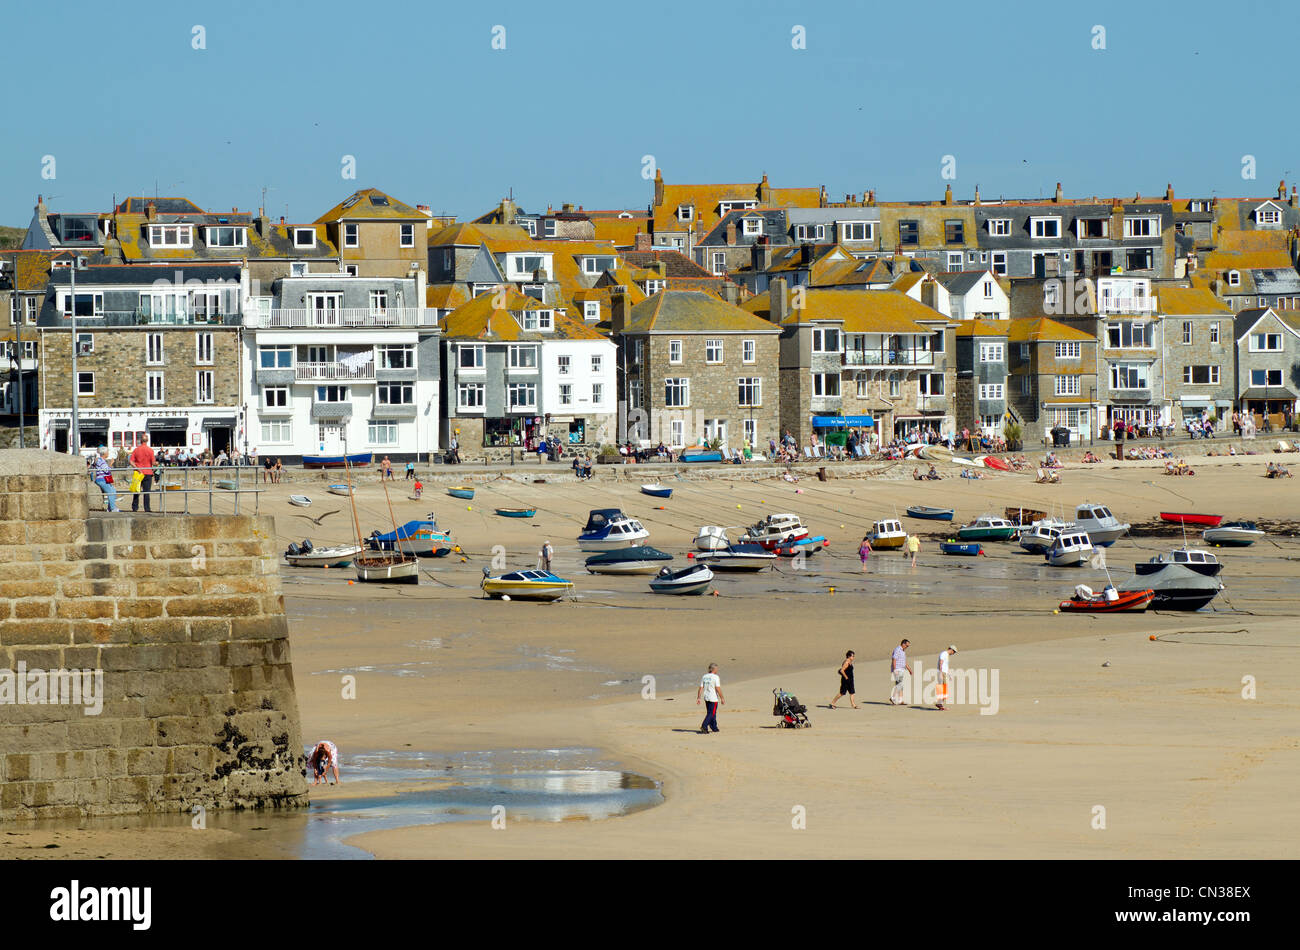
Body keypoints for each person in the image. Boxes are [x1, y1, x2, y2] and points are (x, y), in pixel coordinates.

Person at [129, 434, 156, 513]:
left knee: (136, 490)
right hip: (148, 472)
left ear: (140, 441)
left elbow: (131, 461)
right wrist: (157, 463)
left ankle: (135, 507)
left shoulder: (136, 450)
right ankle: (147, 508)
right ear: (147, 441)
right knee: (147, 492)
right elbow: (153, 462)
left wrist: (137, 468)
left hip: (138, 472)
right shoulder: (150, 450)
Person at [91, 446, 120, 513]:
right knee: (111, 492)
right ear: (104, 453)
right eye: (107, 452)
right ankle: (113, 508)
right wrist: (111, 464)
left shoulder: (101, 460)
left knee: (113, 490)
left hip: (104, 479)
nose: (108, 453)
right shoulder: (101, 461)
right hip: (102, 479)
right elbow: (107, 470)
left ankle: (110, 508)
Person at [697, 663, 724, 734]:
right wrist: (722, 698)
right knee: (711, 713)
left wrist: (699, 698)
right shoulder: (716, 677)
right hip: (713, 698)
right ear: (714, 669)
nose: (717, 670)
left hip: (706, 697)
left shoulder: (704, 676)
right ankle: (704, 726)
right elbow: (717, 688)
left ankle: (714, 727)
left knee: (712, 713)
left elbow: (701, 688)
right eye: (717, 669)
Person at [889, 639, 912, 706]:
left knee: (901, 685)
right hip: (898, 669)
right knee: (899, 684)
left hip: (902, 669)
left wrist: (909, 669)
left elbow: (904, 662)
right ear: (903, 644)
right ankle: (892, 697)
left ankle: (900, 700)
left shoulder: (903, 652)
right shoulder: (897, 650)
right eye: (907, 646)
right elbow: (894, 659)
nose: (907, 647)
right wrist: (895, 669)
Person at [936, 645, 957, 710]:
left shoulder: (946, 655)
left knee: (943, 689)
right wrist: (940, 672)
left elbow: (946, 666)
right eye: (954, 652)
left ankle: (940, 704)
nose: (953, 654)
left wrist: (949, 674)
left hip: (944, 673)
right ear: (951, 650)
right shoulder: (944, 653)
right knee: (943, 689)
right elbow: (941, 662)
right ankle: (940, 704)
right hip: (942, 673)